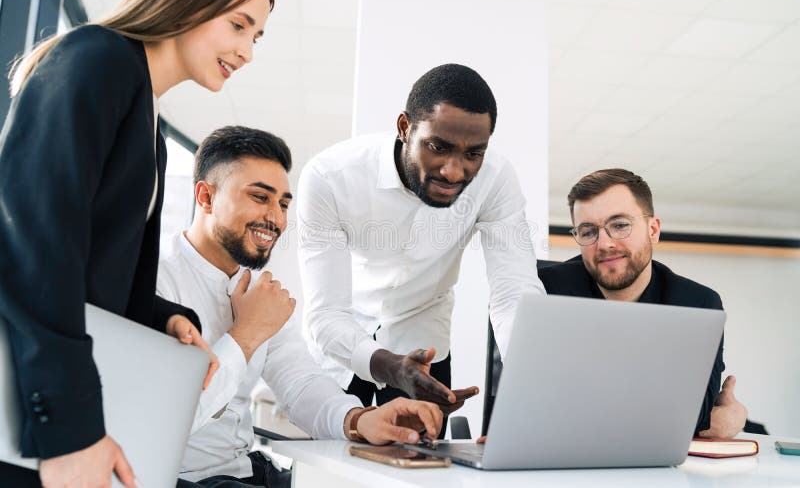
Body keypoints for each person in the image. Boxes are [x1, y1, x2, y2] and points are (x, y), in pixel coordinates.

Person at [0, 0, 275, 486]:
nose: (246, 51)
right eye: (238, 25)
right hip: (31, 411)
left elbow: (91, 268)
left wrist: (163, 318)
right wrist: (70, 432)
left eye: (256, 36)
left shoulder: (151, 132)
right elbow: (31, 249)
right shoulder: (97, 59)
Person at [157, 126, 444, 487]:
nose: (276, 219)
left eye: (283, 204)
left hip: (247, 472)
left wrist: (359, 419)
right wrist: (246, 335)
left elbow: (300, 383)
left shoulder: (258, 291)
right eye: (260, 197)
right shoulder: (156, 282)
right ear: (206, 197)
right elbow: (168, 418)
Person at [296, 64, 545, 430]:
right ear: (404, 128)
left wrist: (530, 385)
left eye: (473, 154)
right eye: (438, 147)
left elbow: (514, 293)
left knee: (420, 468)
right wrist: (390, 366)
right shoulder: (330, 177)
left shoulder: (496, 180)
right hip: (344, 338)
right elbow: (325, 313)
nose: (454, 171)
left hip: (424, 344)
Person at [539, 168, 748, 437]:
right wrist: (717, 423)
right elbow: (539, 408)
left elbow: (696, 415)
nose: (604, 243)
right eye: (588, 231)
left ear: (653, 230)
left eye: (620, 225)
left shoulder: (697, 304)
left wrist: (704, 421)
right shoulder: (545, 292)